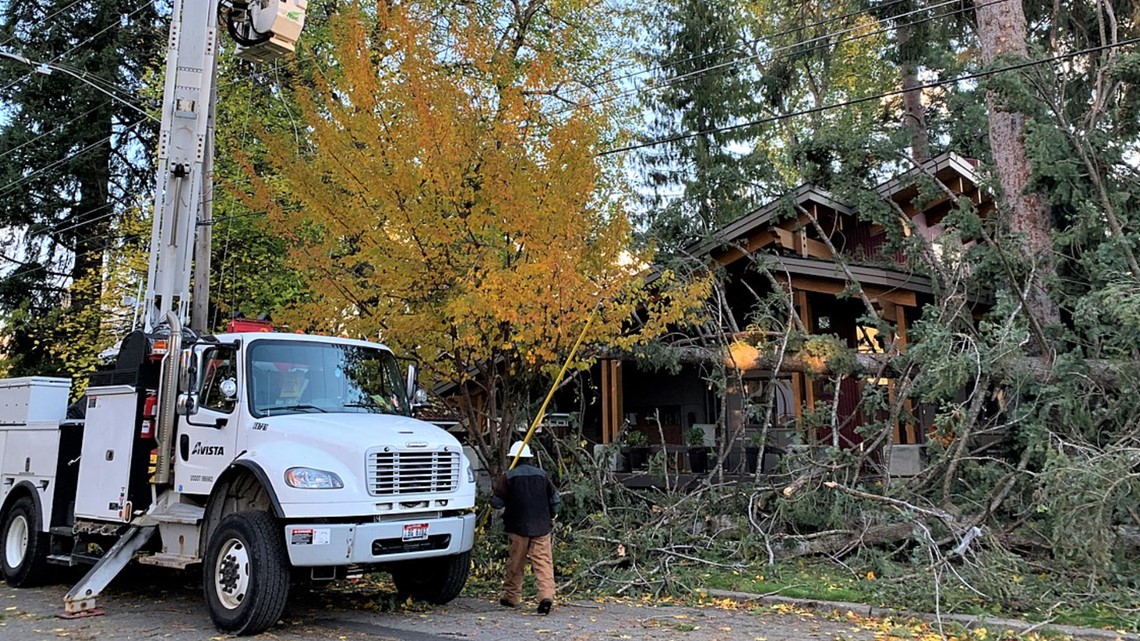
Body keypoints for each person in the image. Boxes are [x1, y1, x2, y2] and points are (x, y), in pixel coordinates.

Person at [492, 440, 560, 615]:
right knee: (543, 562)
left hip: (517, 526)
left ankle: (512, 596)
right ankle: (546, 596)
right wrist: (552, 515)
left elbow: (497, 503)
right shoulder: (542, 475)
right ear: (529, 458)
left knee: (516, 563)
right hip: (542, 526)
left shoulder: (508, 477)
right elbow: (555, 500)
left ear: (513, 458)